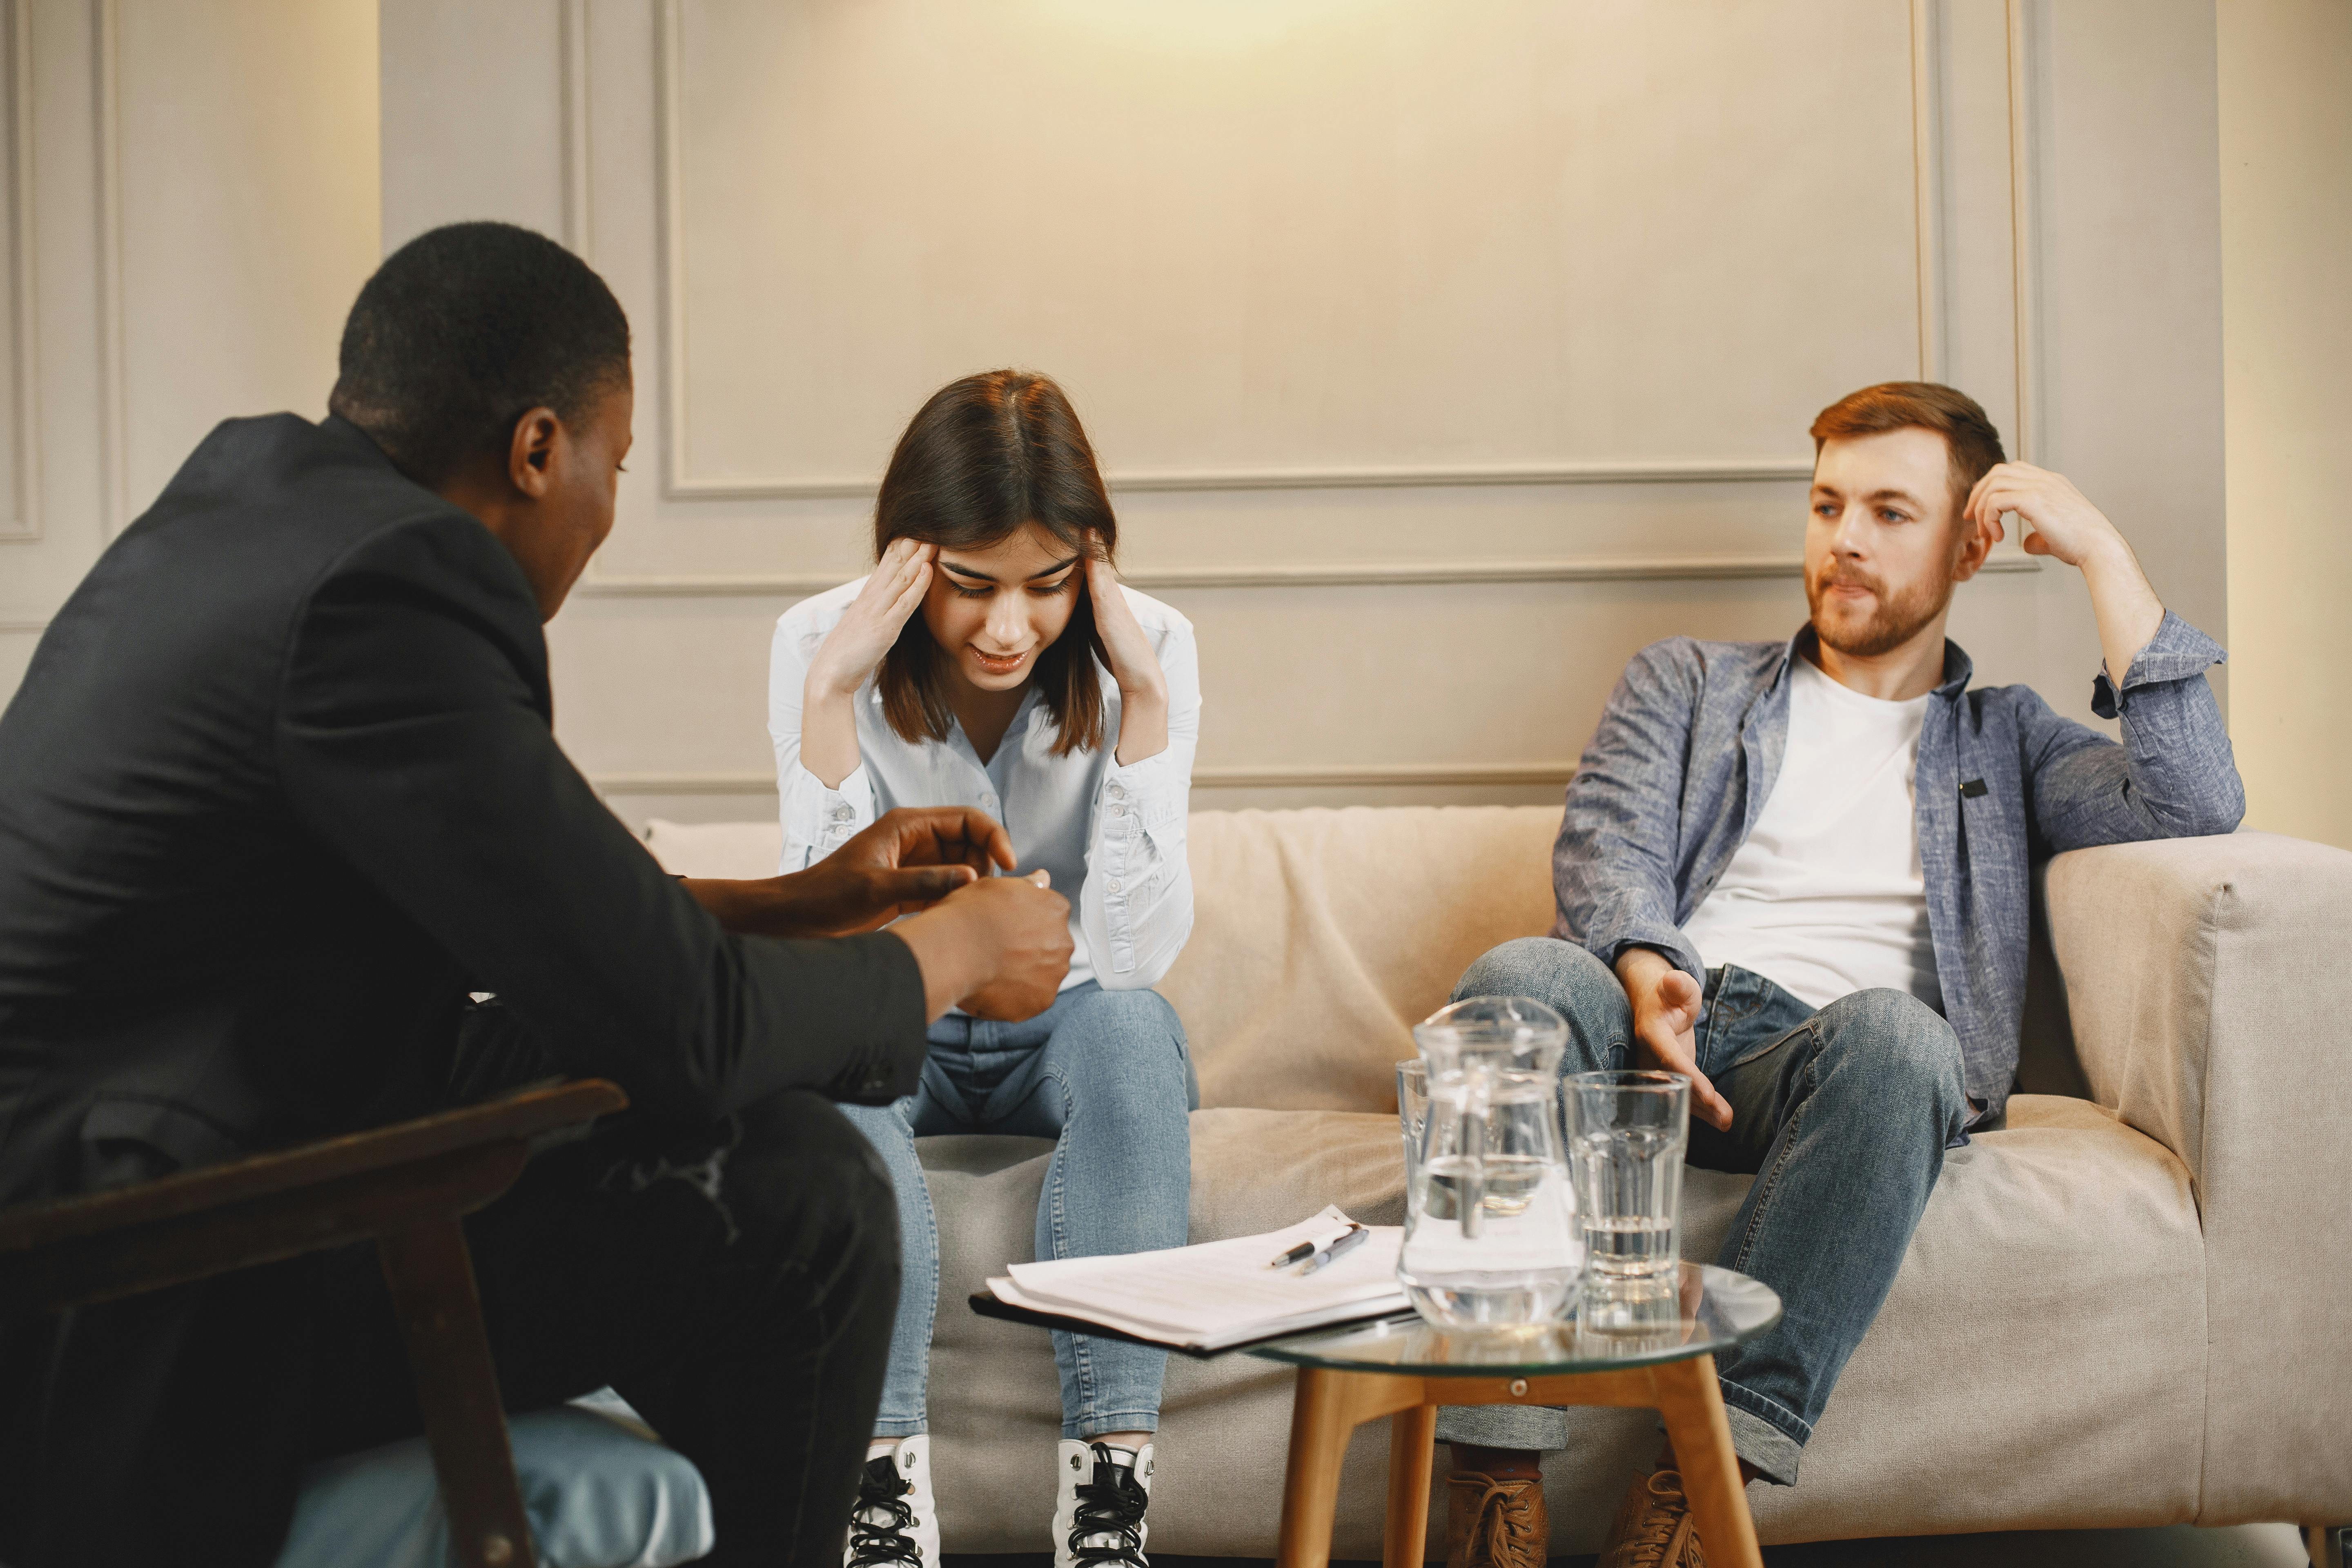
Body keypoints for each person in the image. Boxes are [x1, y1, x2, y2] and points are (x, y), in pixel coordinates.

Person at [0, 222, 1075, 1568]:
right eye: (613, 467)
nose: (605, 514)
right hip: (155, 1276)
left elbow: (523, 903)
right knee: (800, 1202)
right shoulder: (392, 585)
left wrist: (802, 899)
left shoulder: (253, 511)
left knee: (725, 1133)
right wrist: (960, 943)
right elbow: (694, 1030)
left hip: (171, 1170)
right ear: (536, 449)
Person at [1435, 382, 2245, 1568]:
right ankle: (1493, 1479)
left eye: (1890, 512)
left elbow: (2196, 803)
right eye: (1827, 505)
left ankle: (1689, 1496)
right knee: (1517, 977)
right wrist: (1647, 961)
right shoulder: (1690, 684)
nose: (1846, 540)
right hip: (1656, 1021)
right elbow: (1607, 848)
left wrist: (2104, 557)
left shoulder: (2006, 736)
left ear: (1972, 541)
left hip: (1838, 1068)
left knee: (1903, 1039)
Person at [768, 370, 1200, 1568]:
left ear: (1091, 567)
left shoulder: (1151, 652)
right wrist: (829, 696)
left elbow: (1132, 953)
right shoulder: (817, 646)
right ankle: (880, 1500)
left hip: (1068, 1019)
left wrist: (1146, 703)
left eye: (1047, 585)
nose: (1009, 629)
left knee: (1133, 1026)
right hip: (895, 1008)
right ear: (913, 559)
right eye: (971, 587)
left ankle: (1109, 1509)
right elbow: (821, 934)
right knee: (818, 1082)